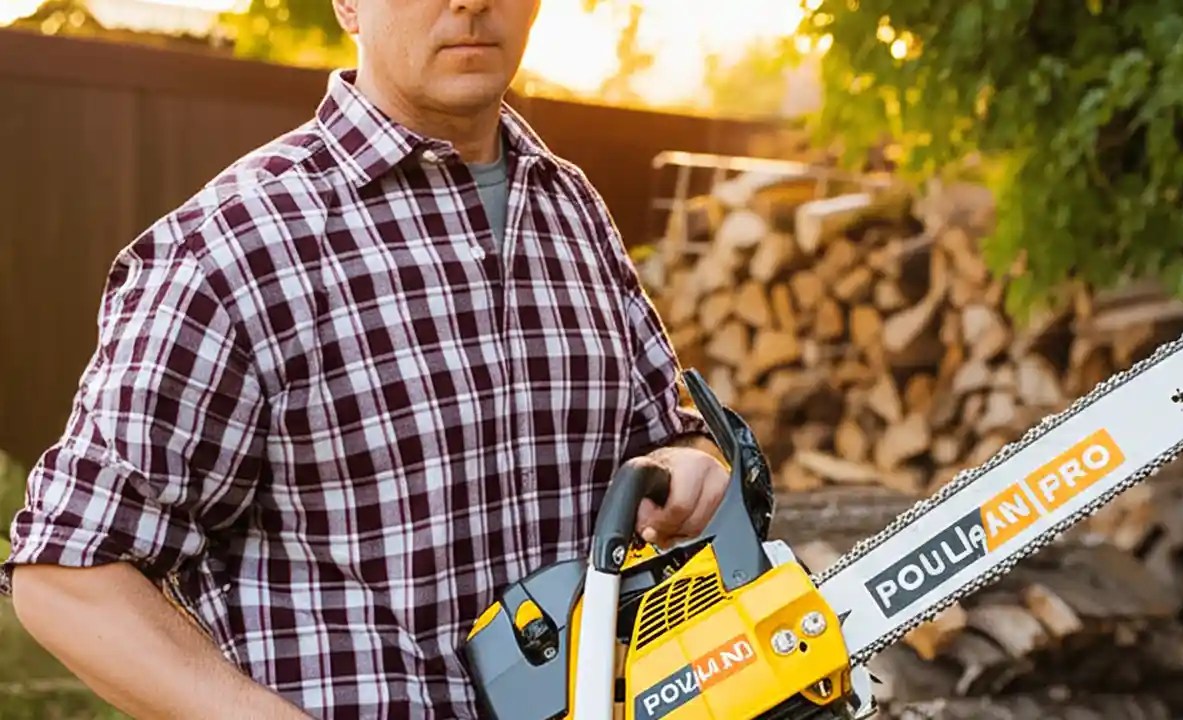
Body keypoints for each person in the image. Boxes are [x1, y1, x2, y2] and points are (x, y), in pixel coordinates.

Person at [0, 0, 730, 717]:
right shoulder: (236, 248)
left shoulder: (570, 209)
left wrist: (691, 462)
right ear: (347, 5)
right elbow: (68, 572)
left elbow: (660, 430)